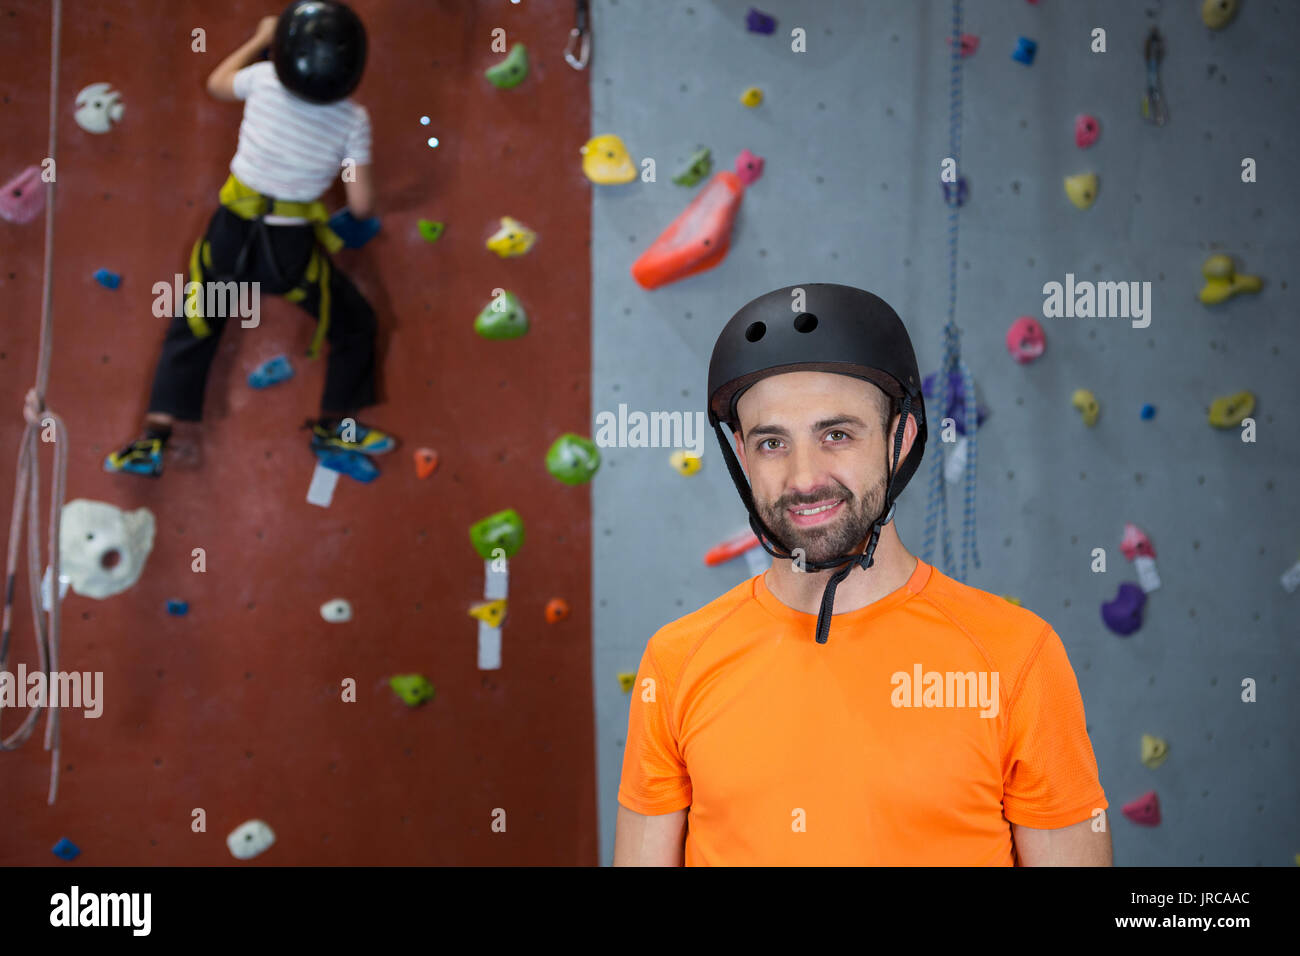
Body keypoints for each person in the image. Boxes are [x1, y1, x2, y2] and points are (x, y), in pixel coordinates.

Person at [614, 283, 1111, 866]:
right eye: (772, 442)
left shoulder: (1016, 657)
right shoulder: (675, 663)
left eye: (837, 435)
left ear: (900, 439)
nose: (804, 478)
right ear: (743, 459)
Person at [105, 1, 395, 478]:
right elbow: (362, 205)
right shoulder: (353, 119)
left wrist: (259, 40)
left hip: (231, 236)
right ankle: (334, 428)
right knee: (355, 322)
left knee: (197, 322)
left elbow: (216, 83)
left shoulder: (263, 80)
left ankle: (152, 438)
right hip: (290, 254)